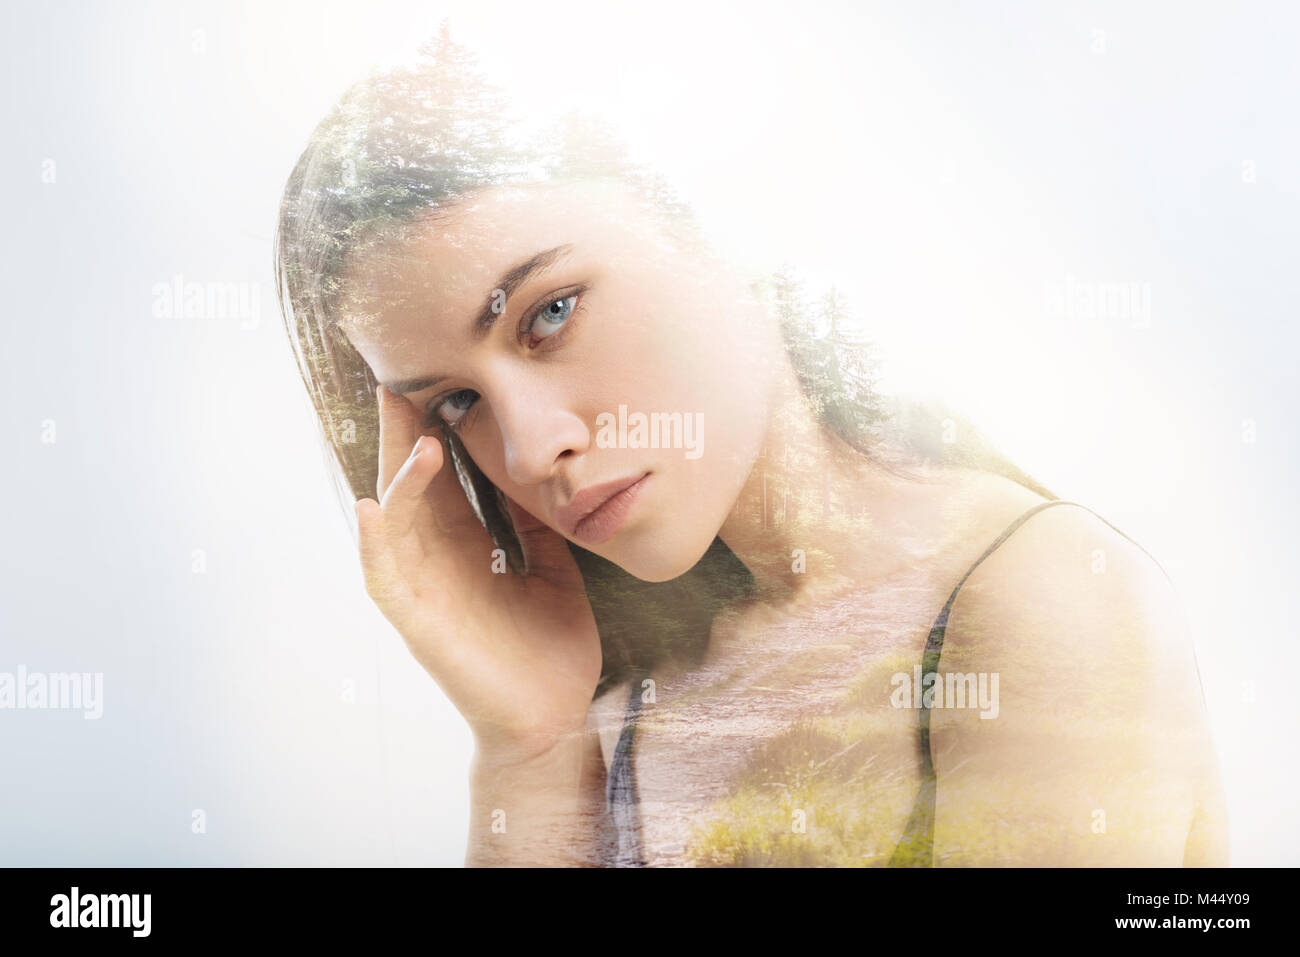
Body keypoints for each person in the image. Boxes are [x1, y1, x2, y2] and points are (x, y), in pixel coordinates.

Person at [274, 24, 1227, 867]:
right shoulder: (622, 705)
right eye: (456, 402)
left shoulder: (1039, 601)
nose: (527, 451)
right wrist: (527, 750)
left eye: (550, 312)